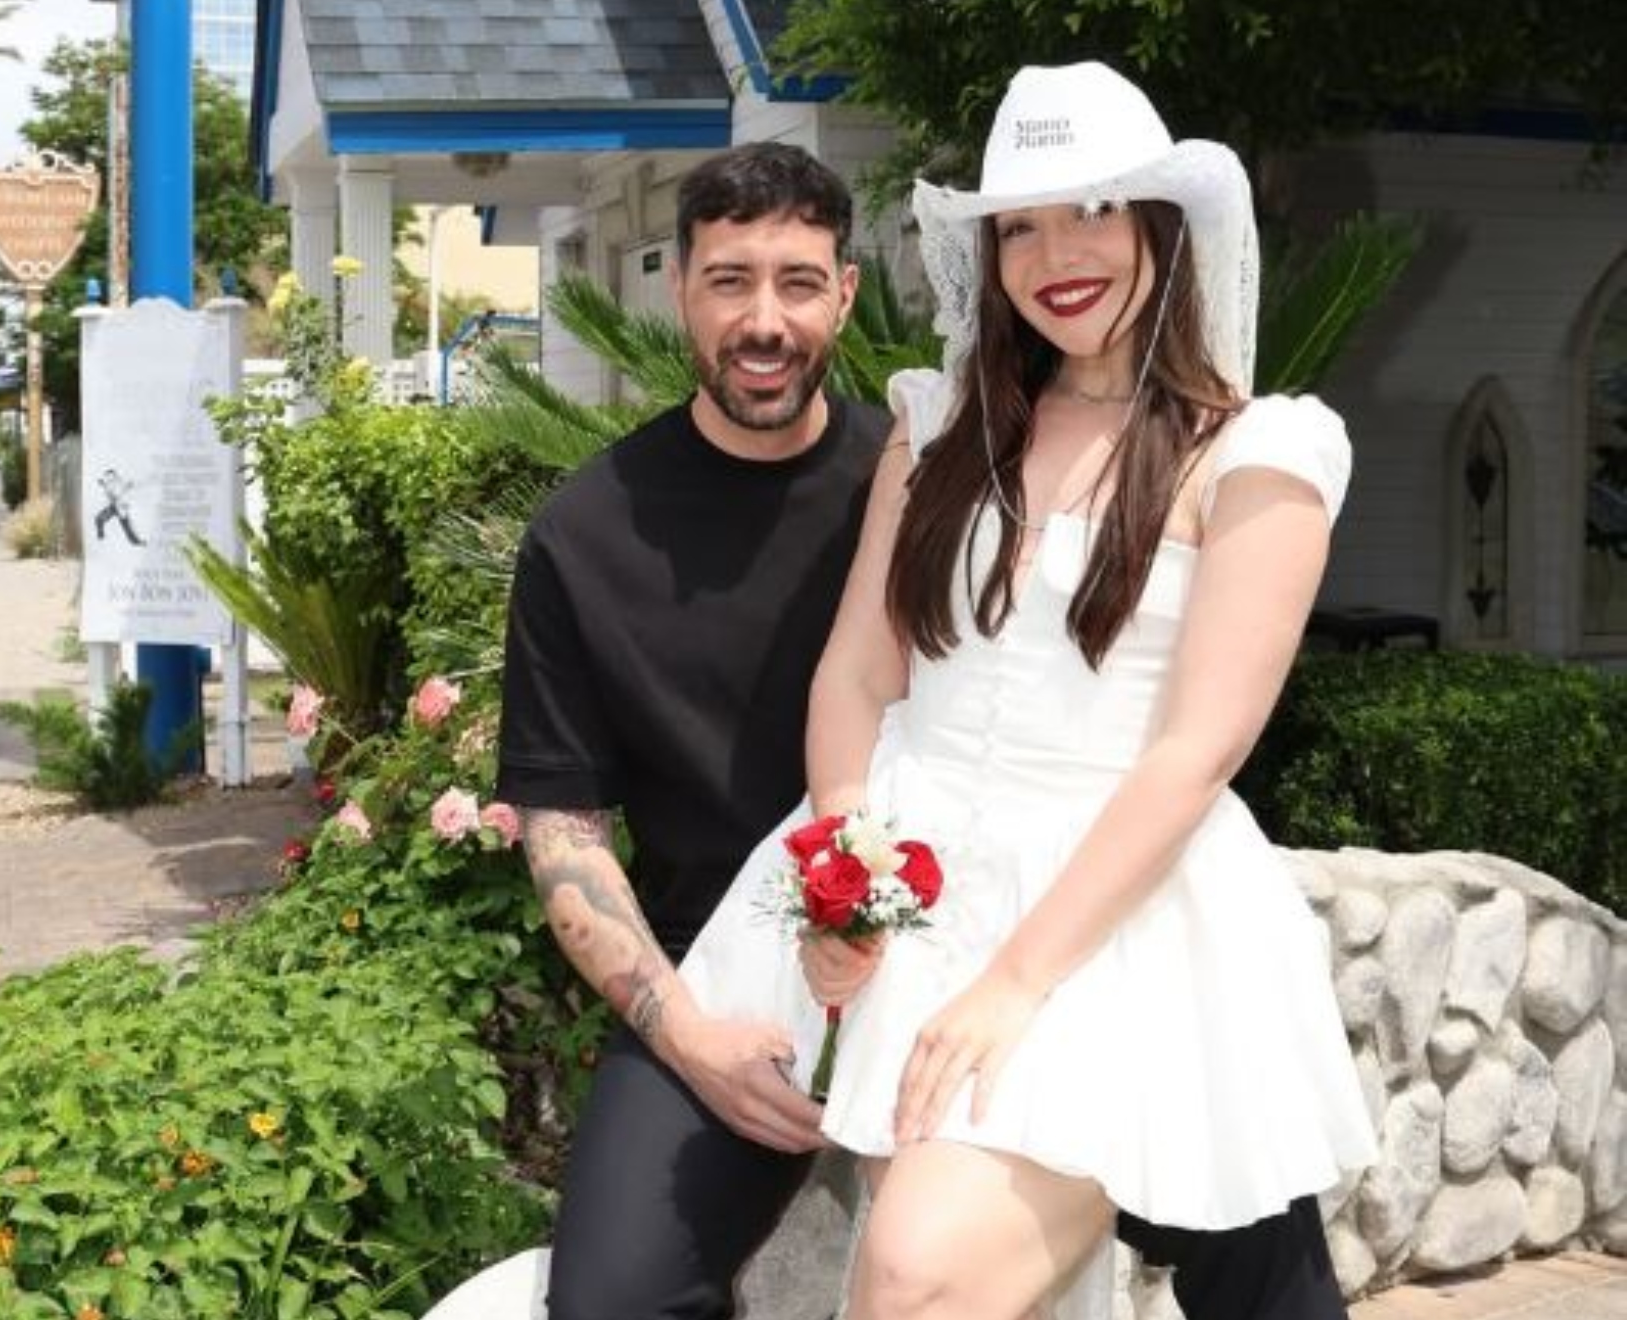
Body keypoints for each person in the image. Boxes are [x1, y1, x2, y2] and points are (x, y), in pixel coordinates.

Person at [677, 63, 1377, 1320]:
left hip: (1118, 917)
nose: (1058, 253)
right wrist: (848, 871)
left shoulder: (1259, 453)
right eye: (1022, 225)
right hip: (922, 876)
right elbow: (859, 669)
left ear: (1161, 224)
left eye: (1094, 211)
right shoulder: (940, 423)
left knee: (915, 1275)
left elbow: (1196, 753)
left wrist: (1012, 985)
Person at [498, 141, 883, 1320]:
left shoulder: (916, 485)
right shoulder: (585, 535)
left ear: (846, 293)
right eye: (730, 280)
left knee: (1218, 1189)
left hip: (934, 947)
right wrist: (688, 1032)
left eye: (797, 281)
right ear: (678, 289)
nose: (763, 321)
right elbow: (561, 828)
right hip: (714, 964)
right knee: (607, 1302)